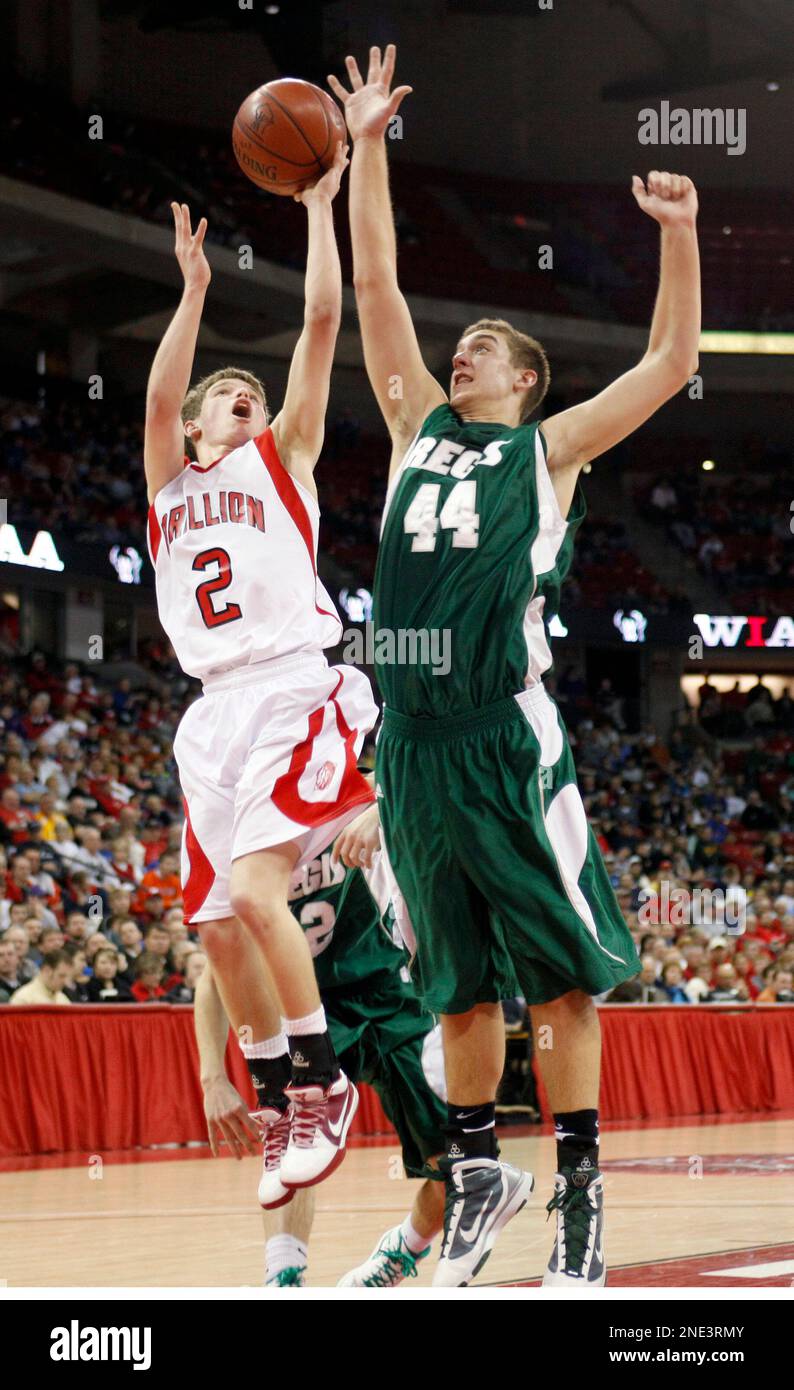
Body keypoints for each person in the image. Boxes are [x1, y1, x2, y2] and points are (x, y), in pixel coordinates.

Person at [329, 42, 700, 1286]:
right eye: (466, 344)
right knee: (455, 994)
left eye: (488, 346)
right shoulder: (410, 427)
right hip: (413, 743)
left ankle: (583, 1192)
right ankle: (482, 1170)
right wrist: (368, 141)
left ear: (527, 382)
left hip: (501, 734)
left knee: (557, 980)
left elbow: (664, 367)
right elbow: (374, 276)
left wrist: (679, 234)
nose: (466, 351)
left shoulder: (540, 455)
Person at [143, 149, 378, 1196]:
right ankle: (282, 1093)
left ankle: (325, 1083)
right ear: (196, 429)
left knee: (253, 887)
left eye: (249, 393)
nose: (242, 401)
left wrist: (320, 211)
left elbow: (321, 325)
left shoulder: (282, 460)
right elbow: (156, 400)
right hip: (210, 714)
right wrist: (192, 291)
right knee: (215, 925)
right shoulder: (168, 487)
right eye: (223, 398)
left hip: (291, 682)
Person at [194, 816, 446, 1288]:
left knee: (453, 1156)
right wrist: (212, 1077)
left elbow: (400, 764)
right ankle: (283, 1274)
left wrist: (377, 808)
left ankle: (403, 1248)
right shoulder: (234, 830)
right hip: (304, 1006)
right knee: (291, 1142)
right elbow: (215, 973)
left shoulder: (334, 784)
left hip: (390, 987)